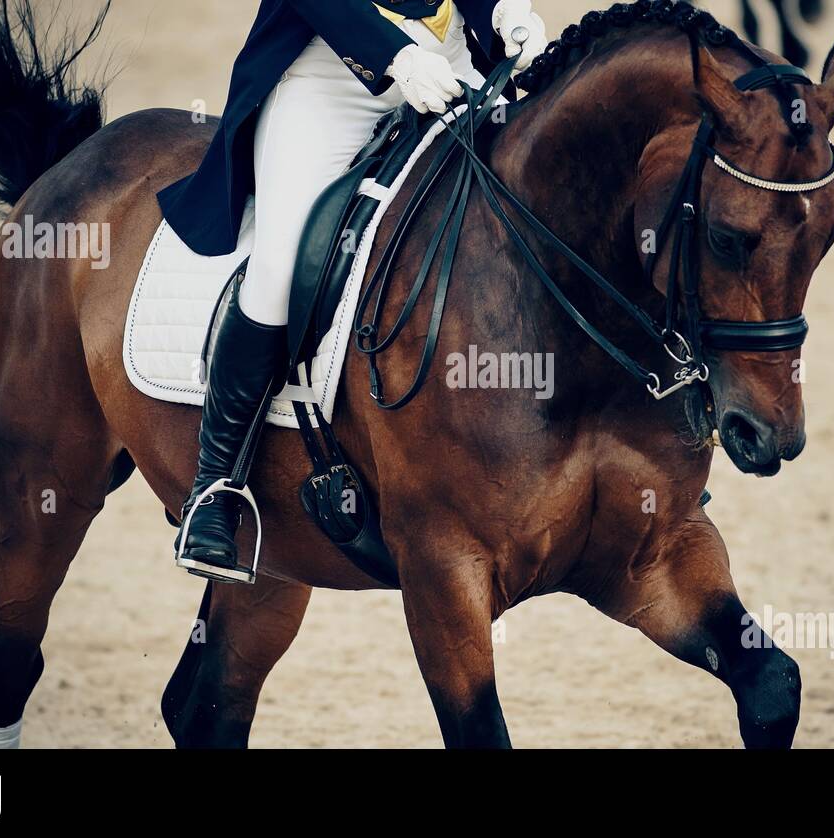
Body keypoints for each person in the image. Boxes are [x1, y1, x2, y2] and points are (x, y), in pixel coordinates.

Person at [156, 0, 548, 583]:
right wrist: (396, 57)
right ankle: (215, 487)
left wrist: (502, 9)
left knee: (542, 207)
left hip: (450, 62)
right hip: (332, 79)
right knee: (280, 268)